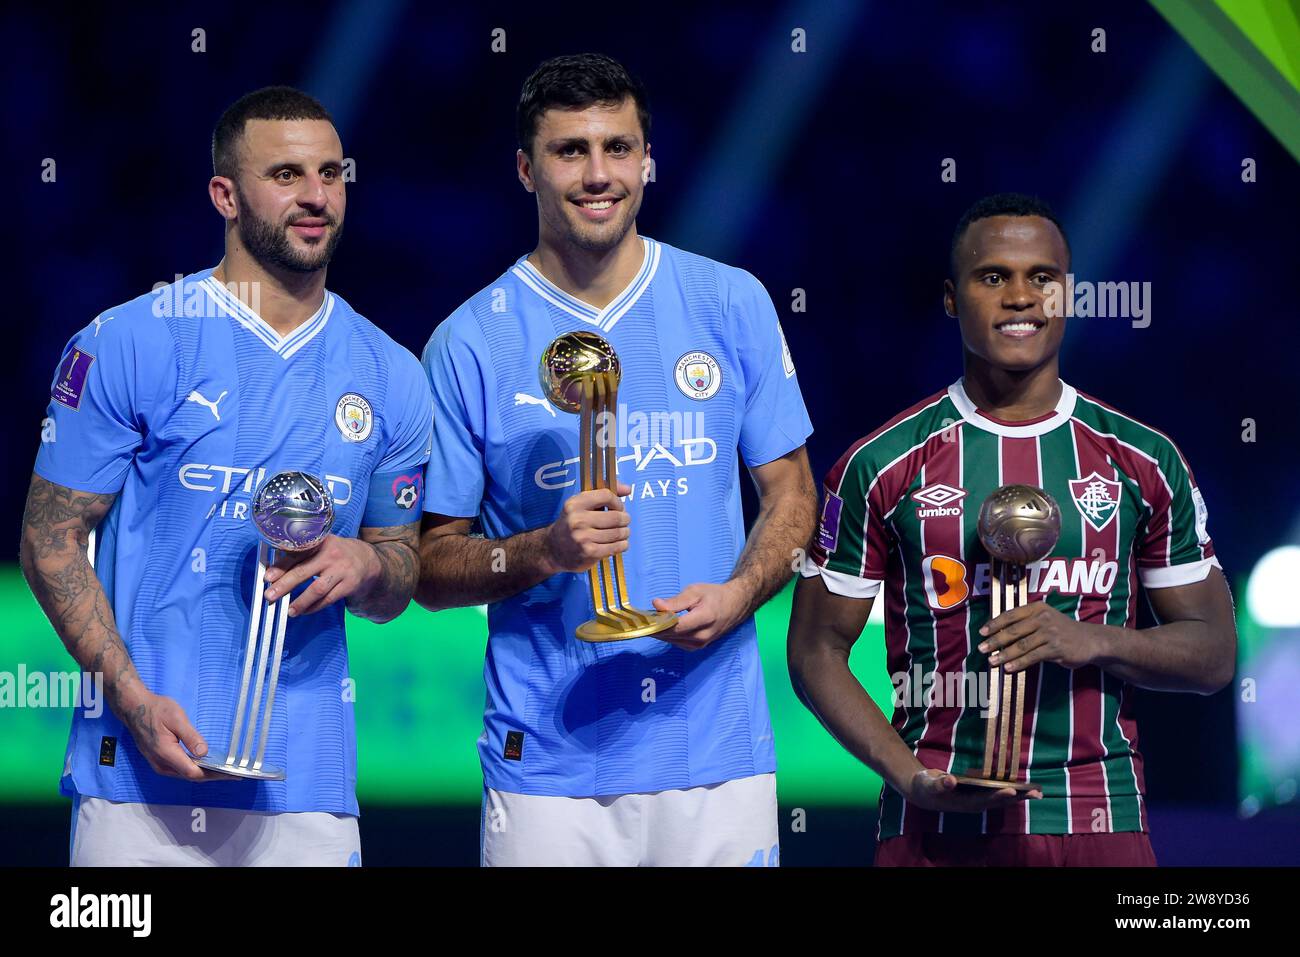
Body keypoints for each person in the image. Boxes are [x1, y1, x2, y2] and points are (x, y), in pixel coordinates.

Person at [415, 53, 817, 866]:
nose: (599, 174)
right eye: (570, 151)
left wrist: (740, 592)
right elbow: (428, 567)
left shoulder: (729, 300)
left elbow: (793, 494)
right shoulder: (468, 342)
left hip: (718, 756)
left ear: (646, 161)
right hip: (549, 767)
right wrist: (543, 551)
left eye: (619, 148)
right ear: (526, 168)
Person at [19, 86, 432, 866]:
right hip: (133, 788)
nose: (315, 196)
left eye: (331, 173)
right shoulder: (128, 341)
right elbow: (50, 538)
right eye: (286, 174)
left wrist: (370, 562)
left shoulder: (394, 375)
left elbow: (400, 576)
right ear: (226, 195)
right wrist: (132, 700)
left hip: (305, 792)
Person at [788, 192, 1236, 867]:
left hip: (1099, 816)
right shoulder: (879, 465)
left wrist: (1089, 640)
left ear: (1068, 296)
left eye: (1042, 278)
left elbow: (1213, 655)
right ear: (951, 298)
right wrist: (908, 775)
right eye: (993, 276)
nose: (1021, 296)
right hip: (931, 824)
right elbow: (815, 651)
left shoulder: (1144, 459)